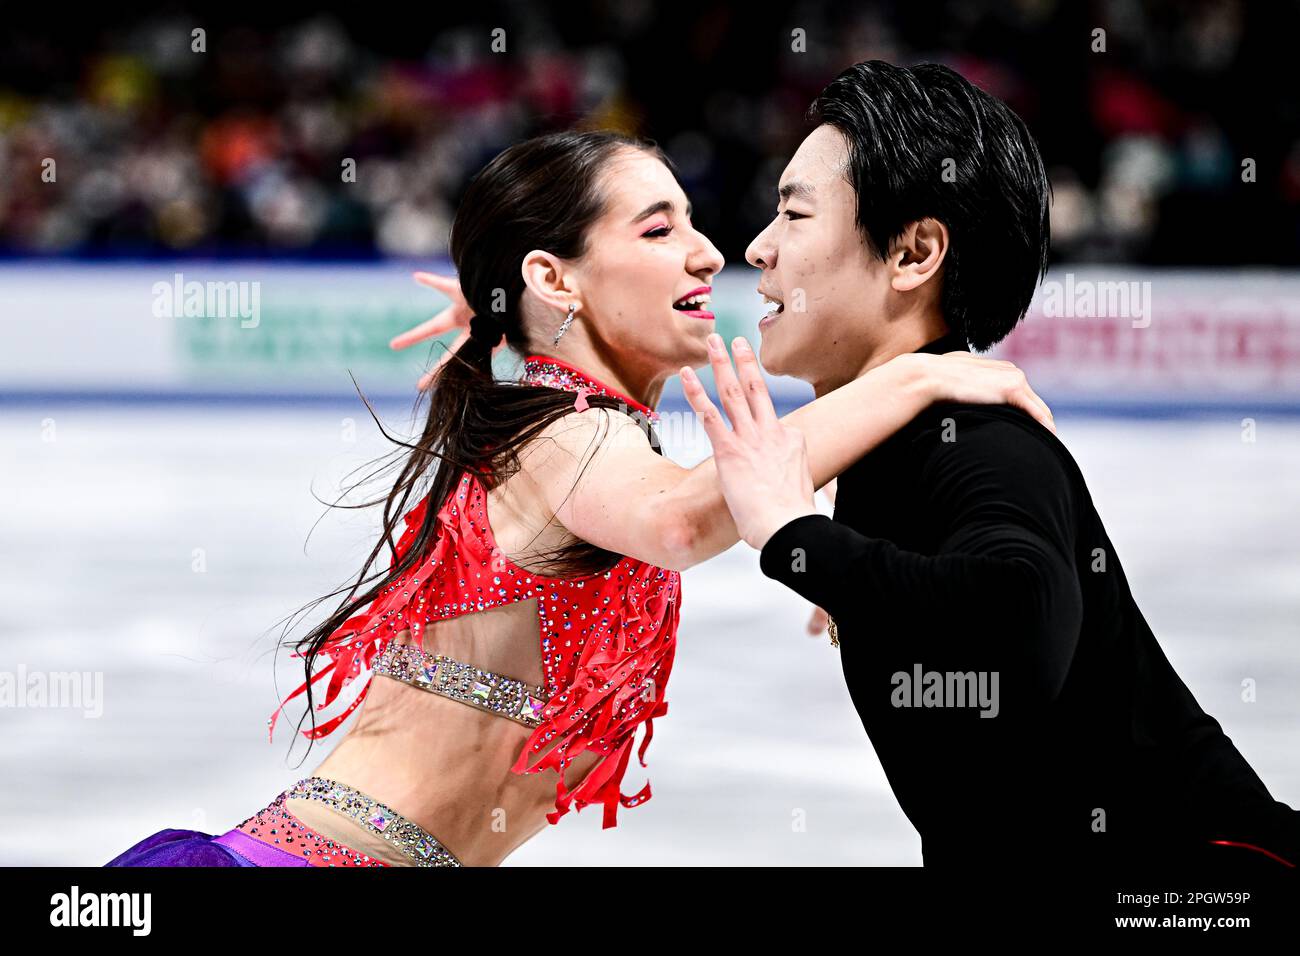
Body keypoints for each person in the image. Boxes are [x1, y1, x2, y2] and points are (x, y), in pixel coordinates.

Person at [104, 127, 1053, 868]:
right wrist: (925, 378)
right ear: (555, 275)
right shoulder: (555, 428)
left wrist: (504, 305)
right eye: (658, 229)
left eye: (690, 220)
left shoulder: (576, 428)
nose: (710, 254)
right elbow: (682, 519)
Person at [680, 60, 1300, 873]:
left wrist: (799, 539)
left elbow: (1020, 618)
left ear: (914, 253)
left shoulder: (977, 438)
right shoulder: (907, 439)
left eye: (794, 213)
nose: (757, 247)